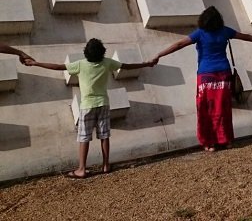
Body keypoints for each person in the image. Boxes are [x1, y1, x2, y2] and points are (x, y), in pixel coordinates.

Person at [23, 38, 156, 178]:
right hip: (103, 103)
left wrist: (35, 63)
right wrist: (146, 63)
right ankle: (105, 165)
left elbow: (58, 67)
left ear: (86, 52)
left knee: (84, 137)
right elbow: (127, 66)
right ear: (102, 52)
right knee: (104, 136)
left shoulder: (80, 64)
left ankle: (81, 169)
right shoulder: (108, 62)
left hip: (87, 105)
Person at [151, 6, 252, 151]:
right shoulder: (225, 31)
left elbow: (179, 44)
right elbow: (245, 36)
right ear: (218, 20)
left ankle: (209, 143)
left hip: (205, 75)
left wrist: (159, 54)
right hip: (223, 73)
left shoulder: (200, 34)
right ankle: (226, 140)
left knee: (205, 108)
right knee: (223, 107)